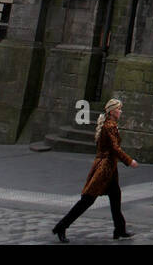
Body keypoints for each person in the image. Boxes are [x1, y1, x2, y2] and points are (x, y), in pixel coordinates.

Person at [53, 98, 138, 242]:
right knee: (87, 200)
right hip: (104, 169)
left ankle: (120, 229)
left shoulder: (110, 125)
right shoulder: (109, 126)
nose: (120, 111)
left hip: (109, 169)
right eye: (118, 109)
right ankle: (61, 226)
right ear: (111, 111)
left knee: (115, 198)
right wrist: (129, 161)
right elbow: (114, 148)